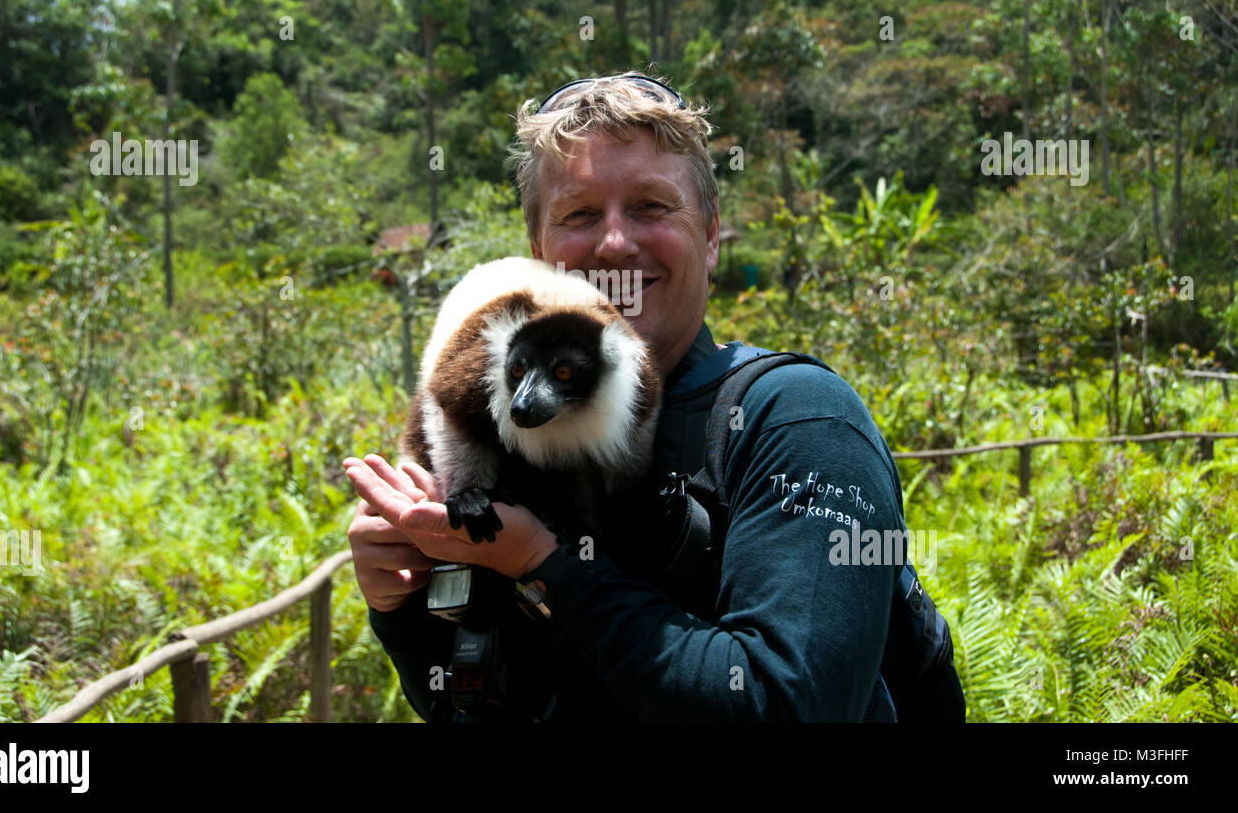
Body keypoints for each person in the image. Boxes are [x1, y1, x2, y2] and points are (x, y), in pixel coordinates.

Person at [344, 72, 907, 721]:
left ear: (712, 236)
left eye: (650, 206)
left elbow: (792, 704)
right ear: (537, 253)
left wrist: (540, 562)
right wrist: (403, 603)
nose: (614, 242)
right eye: (580, 214)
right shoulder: (508, 423)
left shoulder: (796, 420)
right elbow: (473, 705)